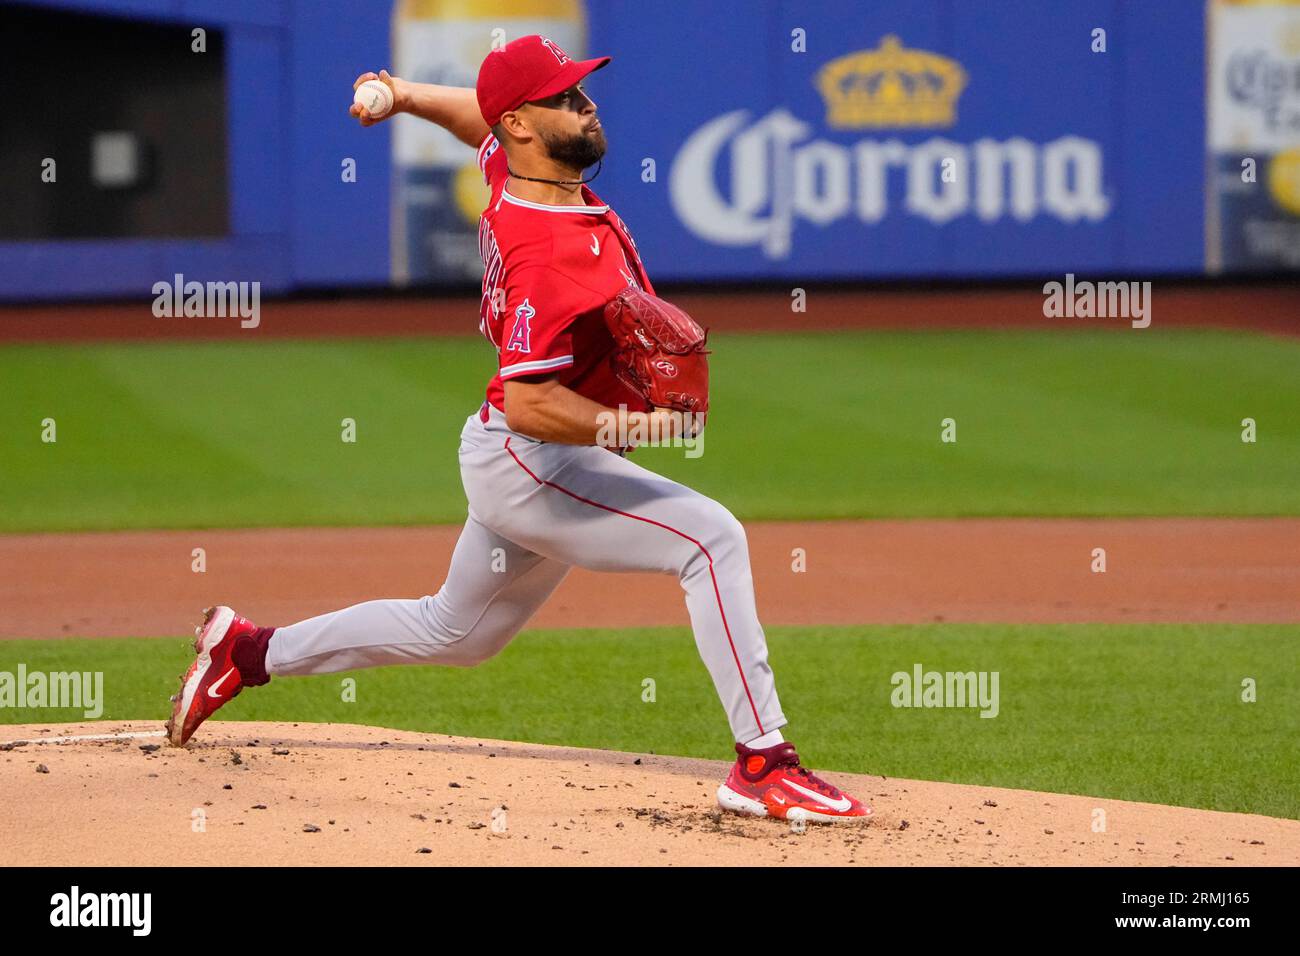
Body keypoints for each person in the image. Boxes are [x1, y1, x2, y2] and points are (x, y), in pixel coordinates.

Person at [166, 35, 870, 824]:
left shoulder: (519, 165)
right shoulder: (543, 252)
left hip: (523, 454)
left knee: (455, 629)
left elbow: (478, 120)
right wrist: (638, 426)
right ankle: (764, 764)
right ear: (527, 124)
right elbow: (534, 402)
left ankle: (247, 651)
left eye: (581, 91)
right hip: (531, 460)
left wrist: (401, 92)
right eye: (566, 98)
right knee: (711, 540)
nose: (586, 104)